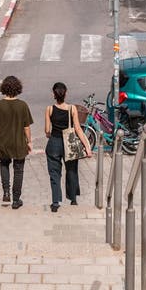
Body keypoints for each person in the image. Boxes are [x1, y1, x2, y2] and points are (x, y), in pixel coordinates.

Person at [44, 82, 92, 213]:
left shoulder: (49, 109)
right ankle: (73, 199)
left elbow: (47, 130)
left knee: (54, 173)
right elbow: (78, 129)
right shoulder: (72, 109)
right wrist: (87, 147)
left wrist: (50, 134)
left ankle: (55, 201)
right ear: (66, 93)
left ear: (53, 94)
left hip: (54, 143)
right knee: (71, 170)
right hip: (69, 143)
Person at [0, 76, 33, 209]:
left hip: (4, 143)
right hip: (19, 143)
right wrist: (29, 142)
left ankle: (6, 192)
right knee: (19, 170)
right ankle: (16, 199)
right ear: (18, 88)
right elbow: (27, 127)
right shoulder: (23, 105)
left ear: (4, 88)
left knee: (4, 165)